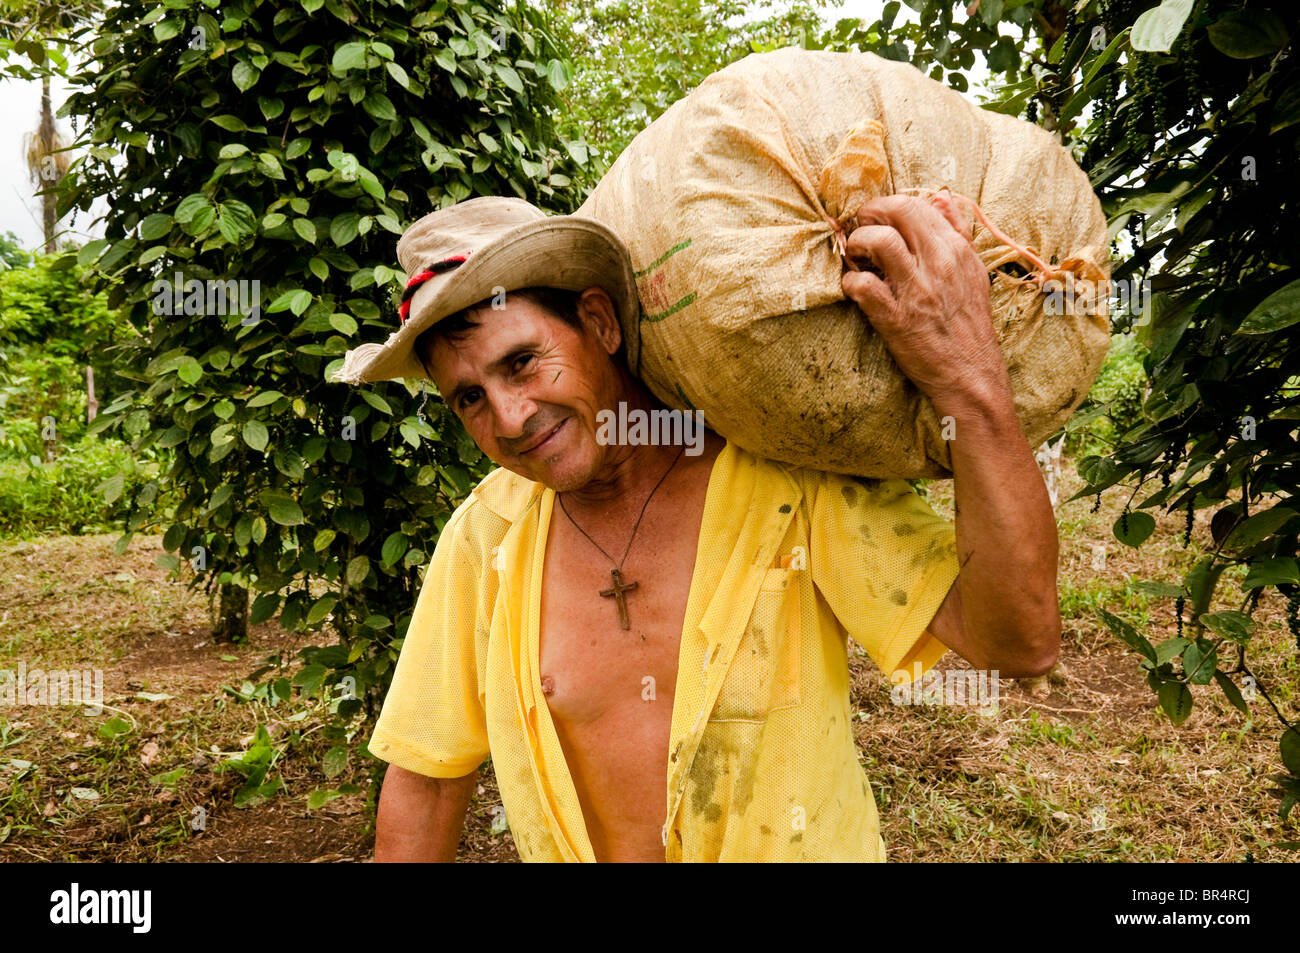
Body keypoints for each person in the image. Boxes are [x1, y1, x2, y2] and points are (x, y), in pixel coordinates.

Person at [333, 194, 1060, 862]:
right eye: (470, 398)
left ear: (599, 321)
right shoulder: (485, 538)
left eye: (522, 361)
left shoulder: (786, 477)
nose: (512, 417)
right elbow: (426, 781)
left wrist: (969, 382)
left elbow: (1018, 641)